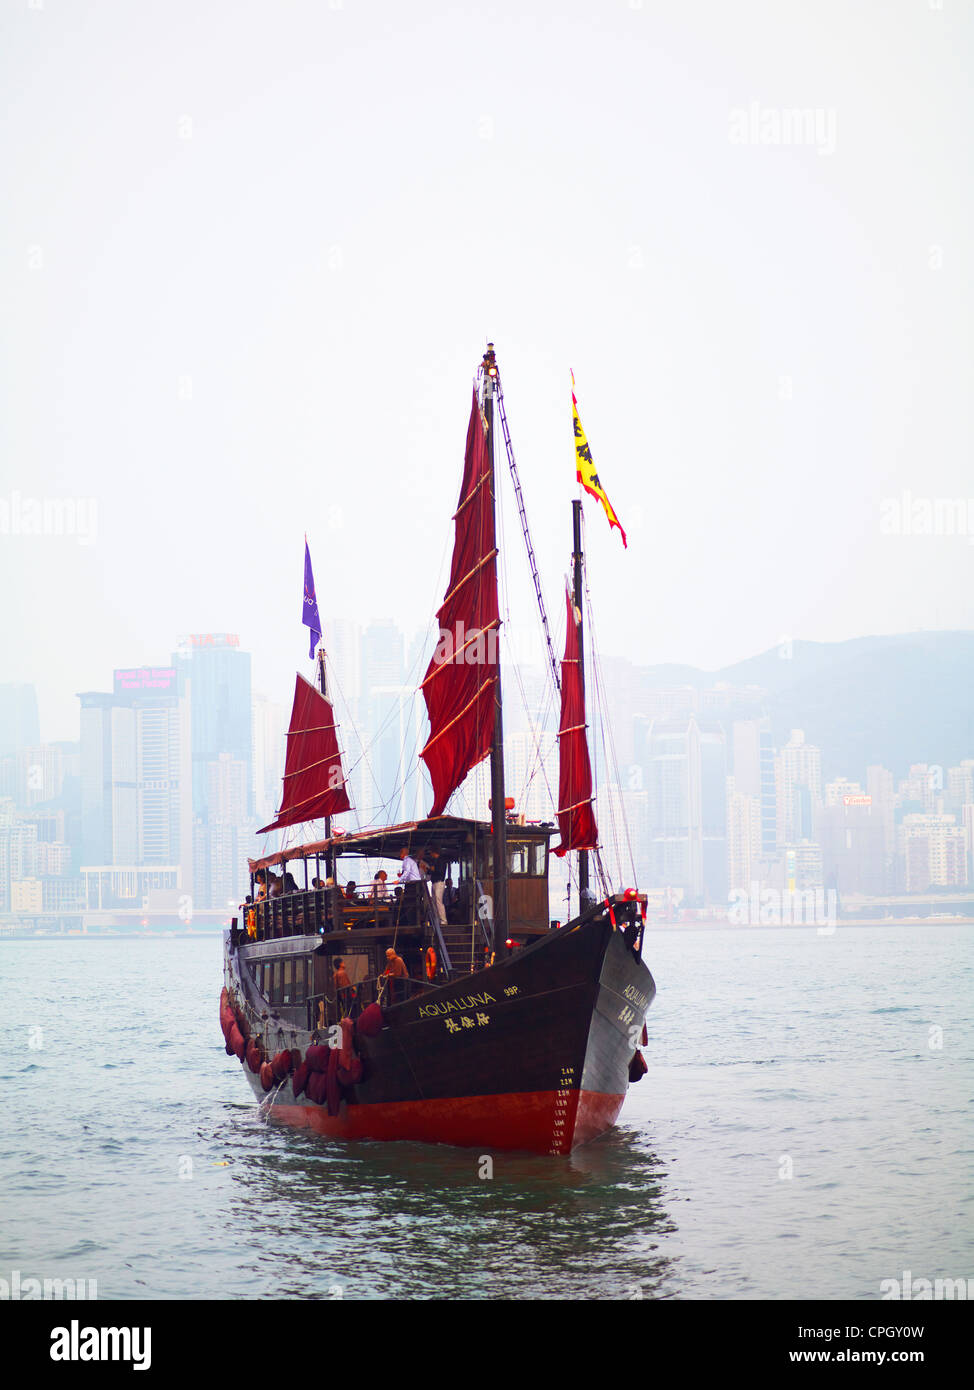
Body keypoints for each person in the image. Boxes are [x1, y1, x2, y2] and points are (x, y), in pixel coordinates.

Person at [424, 848, 449, 927]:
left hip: (439, 882)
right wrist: (427, 870)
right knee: (434, 902)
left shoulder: (441, 860)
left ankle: (443, 920)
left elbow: (440, 871)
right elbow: (432, 872)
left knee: (438, 901)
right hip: (434, 882)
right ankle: (437, 920)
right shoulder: (435, 861)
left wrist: (432, 869)